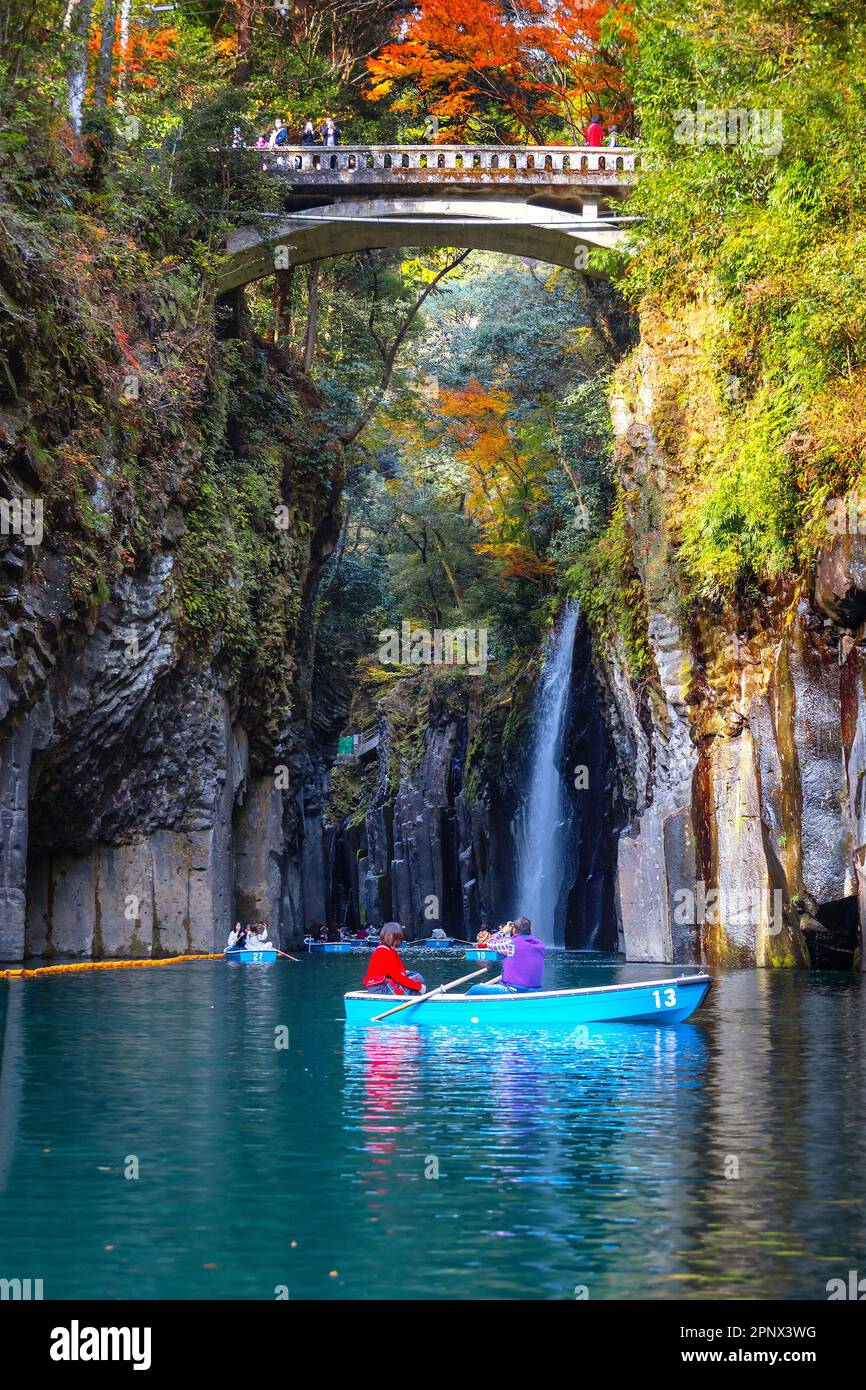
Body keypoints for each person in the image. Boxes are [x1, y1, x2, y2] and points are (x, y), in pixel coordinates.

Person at [468, 917, 545, 994]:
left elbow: (490, 942)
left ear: (514, 930)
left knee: (475, 989)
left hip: (513, 990)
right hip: (534, 990)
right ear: (530, 929)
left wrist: (503, 931)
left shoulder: (511, 943)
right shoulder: (540, 945)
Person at [363, 923, 426, 996]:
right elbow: (398, 977)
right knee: (416, 980)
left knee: (417, 977)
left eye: (398, 938)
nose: (397, 942)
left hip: (386, 984)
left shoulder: (391, 951)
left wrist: (406, 975)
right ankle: (419, 995)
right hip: (379, 989)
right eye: (395, 938)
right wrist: (419, 987)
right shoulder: (383, 951)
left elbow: (401, 970)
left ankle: (419, 993)